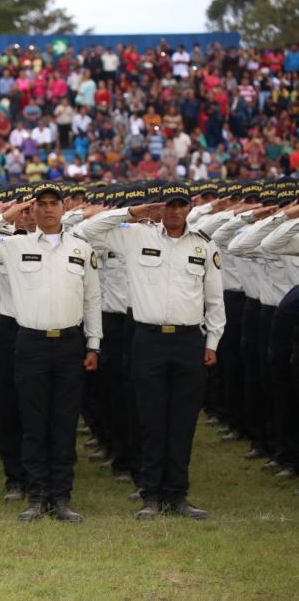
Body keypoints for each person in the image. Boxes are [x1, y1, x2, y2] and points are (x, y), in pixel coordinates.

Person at [75, 185, 225, 519]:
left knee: (183, 421)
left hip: (188, 340)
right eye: (167, 206)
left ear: (189, 208)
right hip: (148, 339)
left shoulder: (203, 244)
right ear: (158, 208)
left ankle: (177, 495)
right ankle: (151, 494)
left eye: (179, 206)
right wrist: (133, 212)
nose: (173, 212)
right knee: (151, 418)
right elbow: (86, 230)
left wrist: (212, 342)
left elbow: (214, 298)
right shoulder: (136, 236)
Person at [0, 182, 102, 523]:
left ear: (64, 208)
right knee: (34, 422)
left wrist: (94, 343)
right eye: (42, 204)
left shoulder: (81, 249)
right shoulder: (14, 245)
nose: (49, 209)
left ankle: (62, 496)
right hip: (30, 342)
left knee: (64, 423)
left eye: (55, 203)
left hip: (69, 343)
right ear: (32, 210)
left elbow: (92, 299)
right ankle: (36, 495)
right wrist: (7, 213)